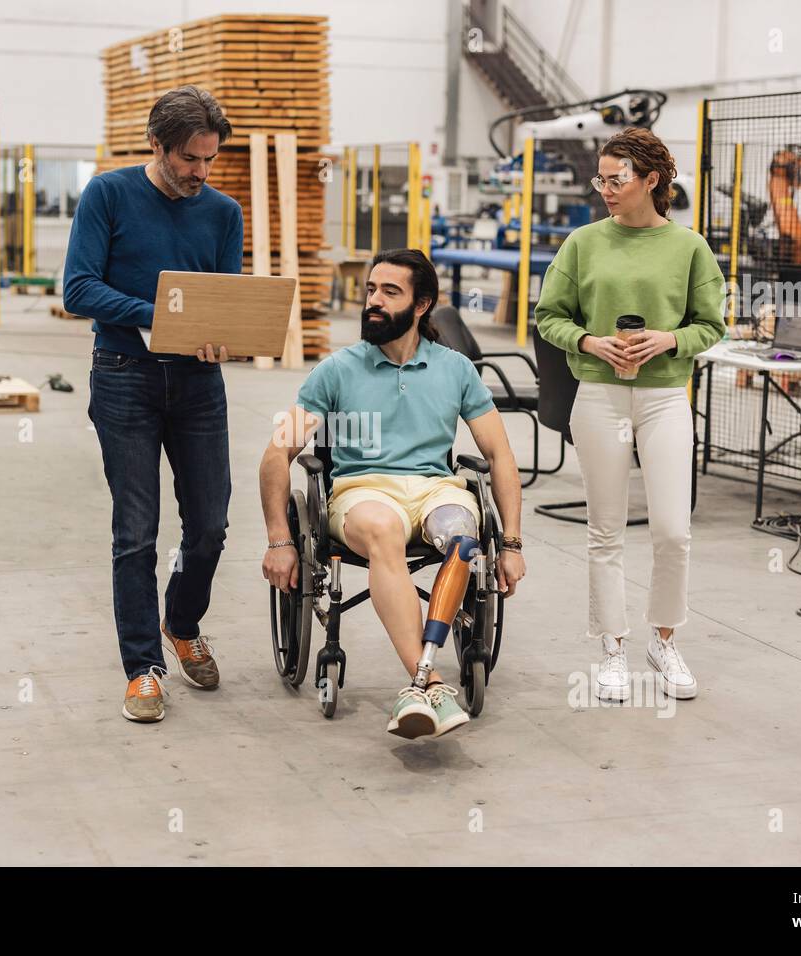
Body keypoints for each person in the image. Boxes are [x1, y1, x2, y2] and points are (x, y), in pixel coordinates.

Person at [259, 249, 527, 739]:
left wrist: (510, 544)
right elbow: (277, 456)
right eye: (371, 291)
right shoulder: (338, 369)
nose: (373, 302)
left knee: (463, 537)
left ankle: (423, 684)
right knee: (383, 530)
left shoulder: (455, 369)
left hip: (435, 491)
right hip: (363, 493)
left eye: (389, 292)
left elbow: (500, 455)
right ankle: (430, 681)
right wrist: (280, 539)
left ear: (421, 305)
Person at [63, 86, 243, 723]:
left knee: (212, 526)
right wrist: (163, 319)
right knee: (135, 533)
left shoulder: (223, 213)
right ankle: (142, 667)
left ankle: (183, 621)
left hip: (198, 386)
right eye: (189, 159)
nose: (200, 172)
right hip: (125, 377)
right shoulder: (108, 196)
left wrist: (226, 333)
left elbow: (221, 300)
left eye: (209, 160)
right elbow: (78, 287)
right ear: (157, 146)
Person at [535, 127, 725, 703]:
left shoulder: (689, 247)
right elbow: (549, 318)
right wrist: (590, 344)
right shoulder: (582, 243)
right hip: (599, 394)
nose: (606, 190)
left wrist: (669, 340)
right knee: (605, 530)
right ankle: (613, 647)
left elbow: (711, 325)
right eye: (602, 179)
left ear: (652, 180)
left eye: (617, 180)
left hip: (665, 396)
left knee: (672, 530)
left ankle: (663, 641)